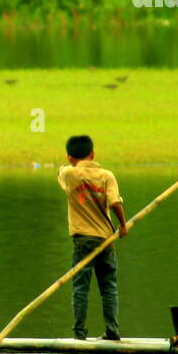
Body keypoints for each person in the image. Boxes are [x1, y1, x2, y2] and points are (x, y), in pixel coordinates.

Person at [57, 135, 127, 341]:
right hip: (106, 240)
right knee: (109, 288)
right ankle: (112, 331)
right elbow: (115, 203)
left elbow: (60, 171)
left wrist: (72, 166)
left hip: (83, 241)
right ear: (93, 153)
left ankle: (79, 334)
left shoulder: (69, 174)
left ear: (70, 157)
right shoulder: (107, 176)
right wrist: (122, 226)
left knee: (80, 287)